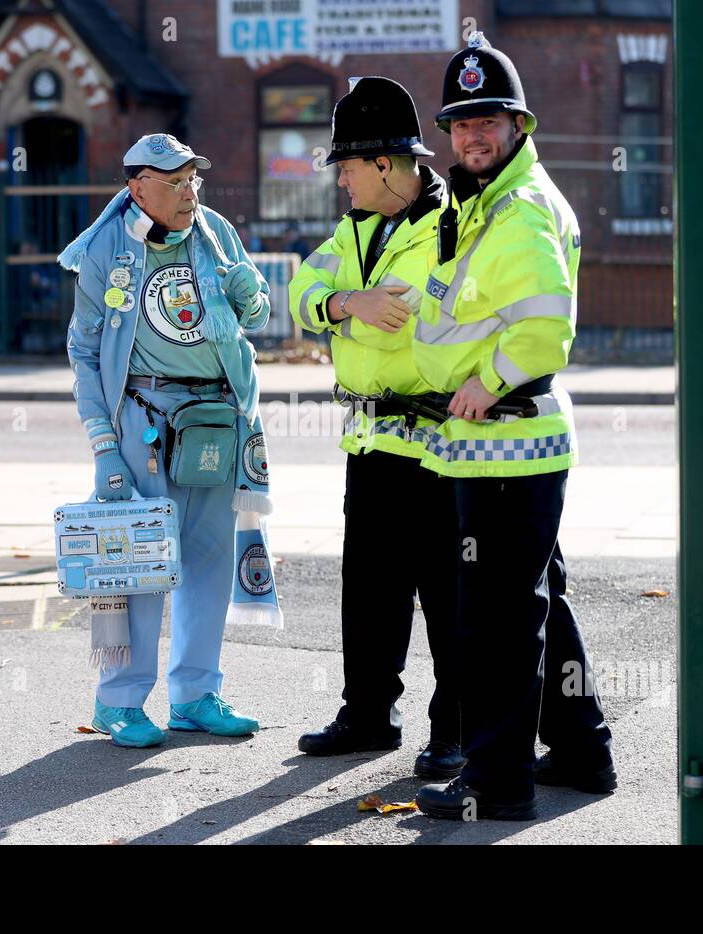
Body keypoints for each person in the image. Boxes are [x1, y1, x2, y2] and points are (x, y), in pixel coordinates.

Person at [411, 32, 615, 821]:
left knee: (496, 622)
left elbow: (543, 328)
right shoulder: (481, 204)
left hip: (505, 435)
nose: (472, 135)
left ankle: (496, 786)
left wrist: (484, 382)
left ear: (519, 126)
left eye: (488, 120)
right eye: (460, 123)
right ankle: (580, 751)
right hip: (499, 444)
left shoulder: (520, 209)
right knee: (537, 602)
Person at [60, 133, 272, 748]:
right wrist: (103, 446)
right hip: (143, 421)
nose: (189, 192)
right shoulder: (105, 248)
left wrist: (247, 295)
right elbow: (83, 349)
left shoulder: (215, 232)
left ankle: (196, 694)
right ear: (137, 187)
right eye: (175, 182)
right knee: (136, 566)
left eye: (193, 180)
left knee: (209, 560)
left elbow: (257, 317)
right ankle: (118, 702)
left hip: (217, 418)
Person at [288, 77, 462, 779]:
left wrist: (364, 314)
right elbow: (301, 292)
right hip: (369, 440)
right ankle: (367, 716)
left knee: (449, 595)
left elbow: (421, 330)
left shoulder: (450, 229)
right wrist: (342, 303)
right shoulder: (353, 229)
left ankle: (454, 731)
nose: (342, 181)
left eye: (349, 167)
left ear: (387, 165)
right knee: (369, 591)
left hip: (438, 443)